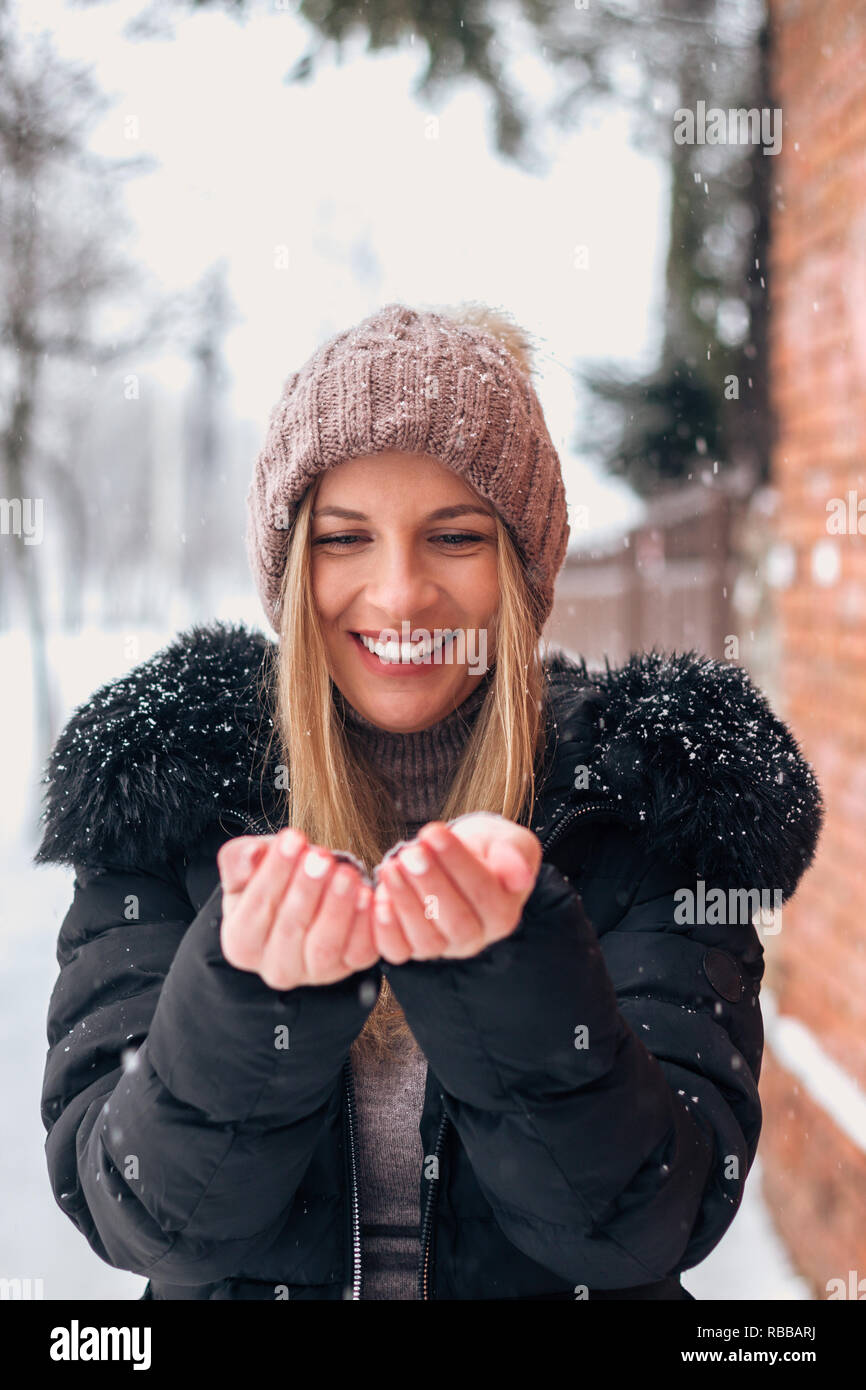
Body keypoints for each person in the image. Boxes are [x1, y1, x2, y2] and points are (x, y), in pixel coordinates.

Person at [35, 301, 824, 1301]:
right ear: (288, 569)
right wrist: (248, 997)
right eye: (343, 538)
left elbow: (650, 1216)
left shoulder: (643, 805)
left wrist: (512, 969)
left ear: (521, 568)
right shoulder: (174, 795)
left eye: (451, 536)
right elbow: (135, 1213)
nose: (399, 592)